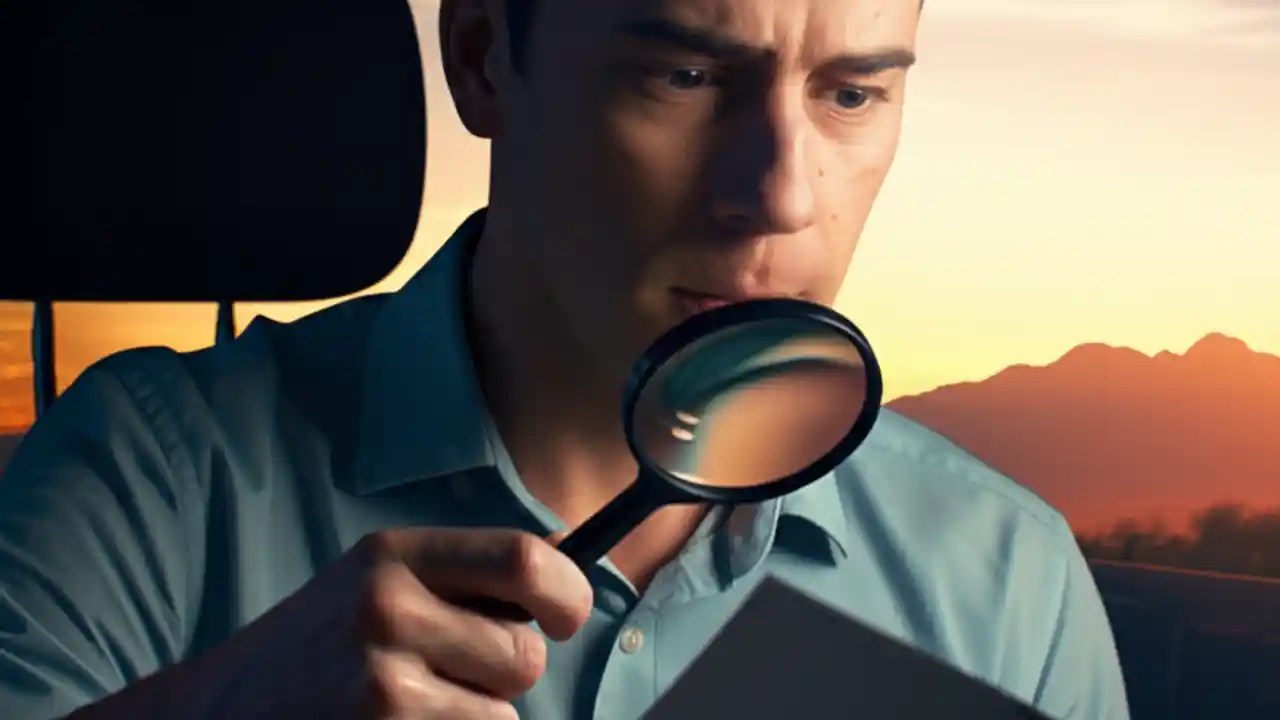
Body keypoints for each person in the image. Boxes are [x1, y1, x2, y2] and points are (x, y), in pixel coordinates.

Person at [0, 0, 1130, 718]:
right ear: (484, 59)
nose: (782, 195)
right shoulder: (138, 482)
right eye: (684, 77)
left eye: (849, 94)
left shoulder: (1005, 584)